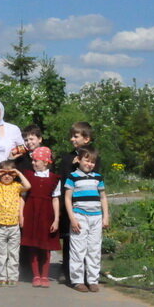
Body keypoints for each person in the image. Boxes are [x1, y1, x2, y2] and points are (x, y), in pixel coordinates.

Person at [58, 121, 101, 283]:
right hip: (71, 204)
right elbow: (64, 180)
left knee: (88, 241)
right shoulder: (67, 158)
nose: (72, 139)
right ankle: (67, 270)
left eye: (75, 136)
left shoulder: (94, 158)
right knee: (70, 237)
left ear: (86, 139)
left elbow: (95, 177)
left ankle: (88, 272)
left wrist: (82, 165)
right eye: (72, 136)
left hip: (88, 204)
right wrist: (72, 165)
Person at [64, 146, 109, 293]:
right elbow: (67, 198)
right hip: (79, 216)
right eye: (86, 160)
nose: (89, 164)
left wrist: (105, 216)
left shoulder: (98, 177)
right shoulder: (73, 177)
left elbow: (103, 197)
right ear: (79, 160)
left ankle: (92, 280)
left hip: (96, 216)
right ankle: (77, 280)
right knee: (78, 249)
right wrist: (72, 219)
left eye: (92, 162)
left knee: (94, 249)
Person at [21, 146, 61, 288]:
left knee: (46, 247)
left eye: (36, 161)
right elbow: (23, 197)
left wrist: (56, 219)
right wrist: (21, 216)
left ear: (46, 162)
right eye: (32, 160)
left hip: (47, 215)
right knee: (32, 246)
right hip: (31, 213)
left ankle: (45, 275)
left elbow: (56, 199)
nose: (33, 163)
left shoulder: (54, 179)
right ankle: (36, 275)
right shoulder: (28, 176)